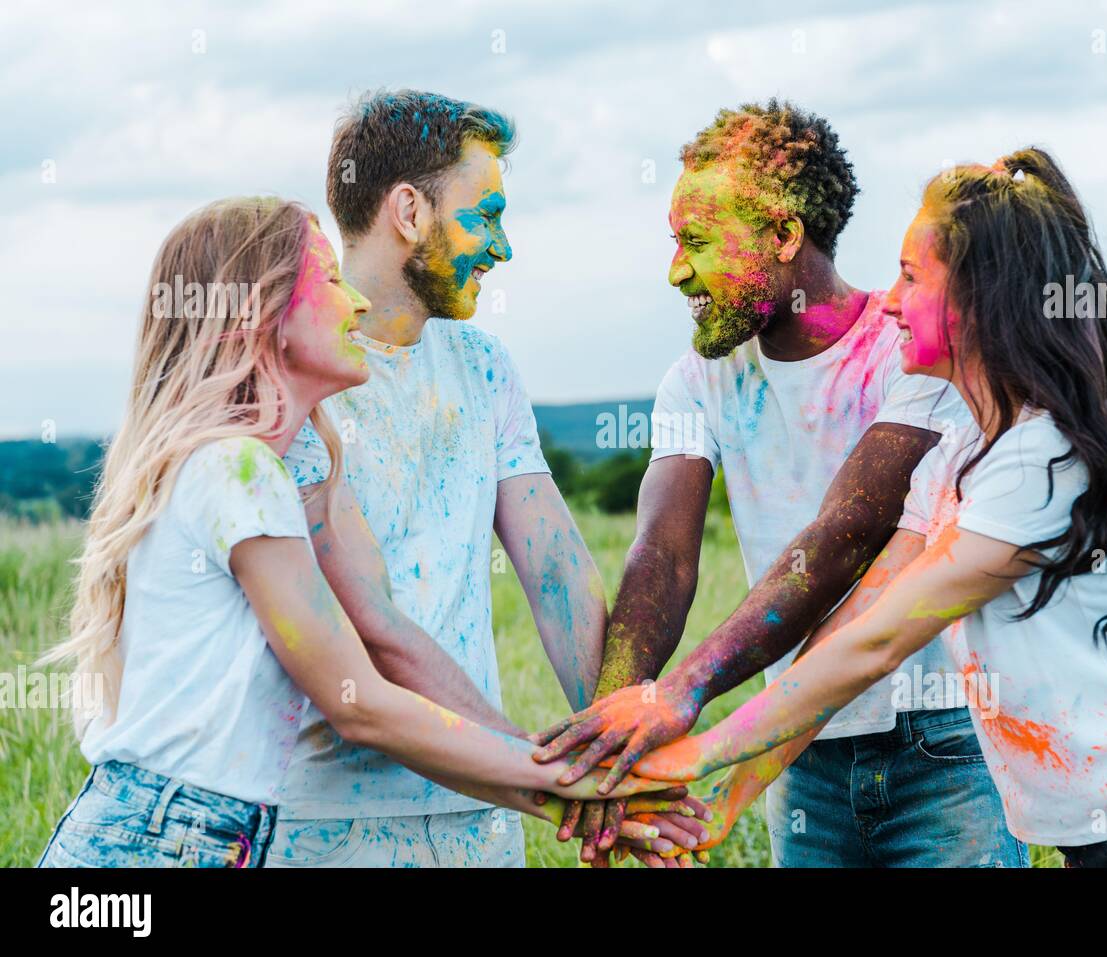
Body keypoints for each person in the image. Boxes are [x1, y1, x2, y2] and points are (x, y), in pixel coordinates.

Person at [632, 148, 1107, 867]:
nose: (887, 300)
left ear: (979, 298)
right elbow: (846, 636)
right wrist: (735, 788)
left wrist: (693, 750)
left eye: (911, 277)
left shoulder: (1042, 462)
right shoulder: (955, 460)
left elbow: (881, 641)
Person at [37, 198, 668, 868]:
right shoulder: (237, 469)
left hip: (198, 835)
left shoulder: (263, 470)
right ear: (264, 313)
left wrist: (555, 787)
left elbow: (382, 633)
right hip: (159, 841)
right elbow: (361, 702)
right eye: (330, 281)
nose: (355, 305)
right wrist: (565, 779)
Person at [535, 100, 1024, 867]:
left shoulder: (913, 352)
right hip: (794, 753)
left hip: (941, 744)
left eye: (697, 241)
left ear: (785, 234)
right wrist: (615, 740)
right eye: (674, 242)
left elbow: (845, 535)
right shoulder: (697, 380)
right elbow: (663, 556)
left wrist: (684, 692)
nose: (676, 270)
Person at [264, 90, 707, 868]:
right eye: (486, 215)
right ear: (409, 210)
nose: (501, 248)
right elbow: (376, 636)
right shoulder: (300, 375)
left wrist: (612, 749)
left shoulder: (484, 367)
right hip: (327, 825)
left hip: (480, 818)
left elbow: (558, 572)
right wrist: (571, 777)